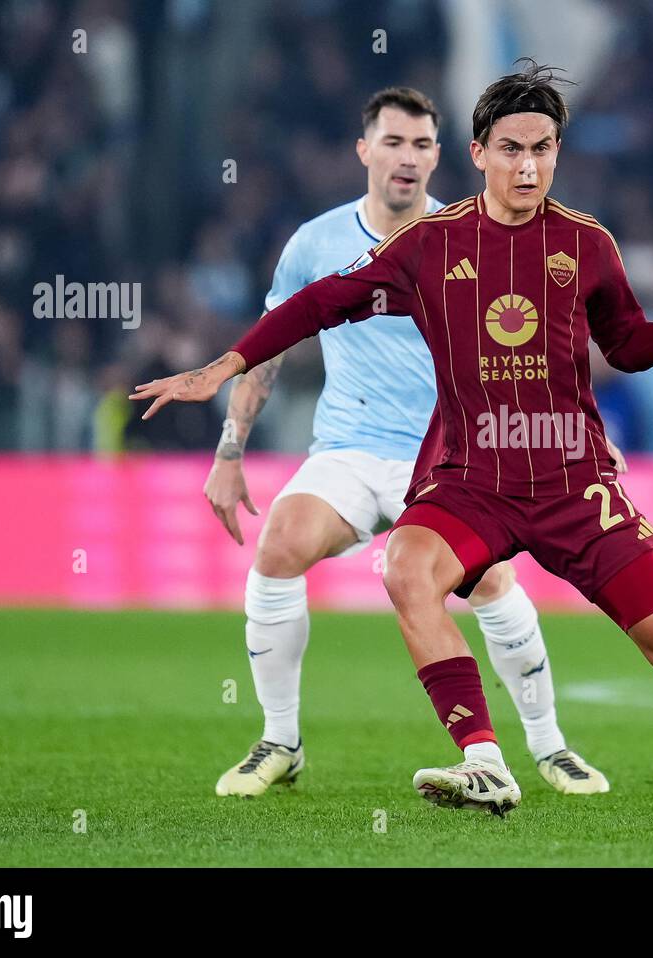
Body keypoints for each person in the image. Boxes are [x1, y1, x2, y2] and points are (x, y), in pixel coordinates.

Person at [132, 60, 653, 821]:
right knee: (406, 568)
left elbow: (623, 343)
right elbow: (322, 302)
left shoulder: (588, 243)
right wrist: (226, 365)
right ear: (480, 151)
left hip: (571, 482)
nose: (530, 166)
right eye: (514, 148)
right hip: (472, 481)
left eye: (545, 149)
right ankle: (484, 761)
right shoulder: (432, 243)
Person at [208, 86, 608, 798]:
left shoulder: (468, 236)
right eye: (393, 142)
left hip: (450, 454)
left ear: (439, 157)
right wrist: (229, 451)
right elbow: (268, 352)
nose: (408, 158)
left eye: (423, 145)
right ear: (365, 151)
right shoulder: (315, 243)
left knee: (492, 583)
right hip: (351, 448)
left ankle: (551, 748)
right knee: (277, 547)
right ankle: (279, 741)